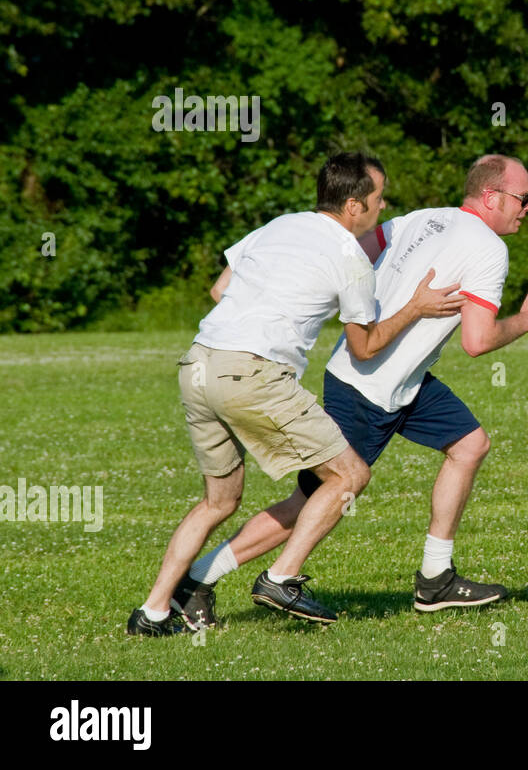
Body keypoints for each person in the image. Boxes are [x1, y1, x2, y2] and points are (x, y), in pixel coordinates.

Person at [175, 155, 528, 627]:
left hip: (401, 381)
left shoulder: (422, 219)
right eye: (524, 198)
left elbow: (353, 245)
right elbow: (478, 342)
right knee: (309, 501)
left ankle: (436, 578)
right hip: (369, 385)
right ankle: (208, 578)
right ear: (492, 196)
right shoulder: (489, 249)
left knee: (470, 444)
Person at [127, 153, 459, 636]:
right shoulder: (350, 258)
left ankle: (153, 613)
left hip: (198, 364)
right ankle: (282, 579)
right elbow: (364, 348)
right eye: (378, 198)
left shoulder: (279, 225)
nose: (384, 206)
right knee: (348, 475)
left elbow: (222, 291)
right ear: (352, 205)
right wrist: (416, 308)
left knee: (218, 502)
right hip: (253, 373)